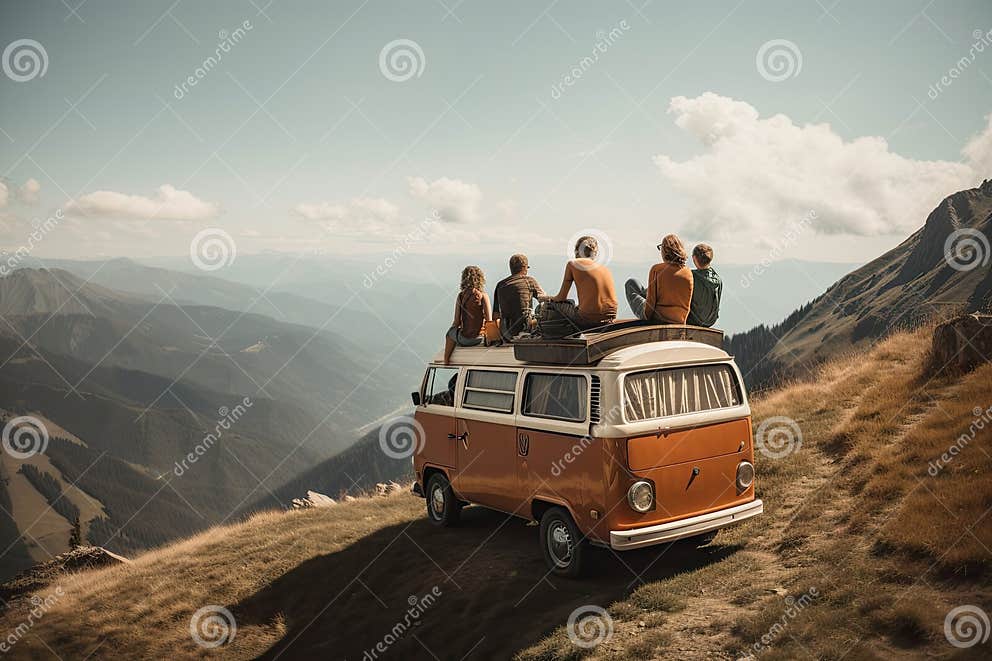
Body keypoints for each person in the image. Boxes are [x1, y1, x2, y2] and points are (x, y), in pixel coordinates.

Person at [540, 235, 618, 332]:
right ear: (595, 253)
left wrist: (546, 298)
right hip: (610, 319)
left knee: (550, 305)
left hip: (587, 319)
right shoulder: (605, 269)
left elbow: (561, 298)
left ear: (577, 251)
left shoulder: (572, 264)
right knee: (573, 304)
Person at [625, 234, 693, 324]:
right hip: (679, 320)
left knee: (631, 283)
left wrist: (646, 318)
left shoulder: (657, 269)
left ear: (664, 251)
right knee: (641, 288)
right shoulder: (688, 272)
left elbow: (650, 304)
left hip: (658, 318)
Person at [443, 265, 491, 363]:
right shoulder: (483, 296)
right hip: (480, 338)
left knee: (449, 334)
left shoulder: (461, 296)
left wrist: (454, 331)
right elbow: (489, 321)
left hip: (465, 339)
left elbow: (456, 322)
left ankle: (446, 360)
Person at [493, 253, 545, 341]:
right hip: (525, 330)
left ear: (511, 268)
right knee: (540, 308)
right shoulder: (529, 281)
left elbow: (495, 315)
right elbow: (543, 299)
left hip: (506, 333)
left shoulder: (500, 285)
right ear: (524, 267)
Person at [686, 243, 723, 327]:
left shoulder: (690, 276)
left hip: (691, 321)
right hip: (710, 322)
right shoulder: (719, 280)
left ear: (694, 258)